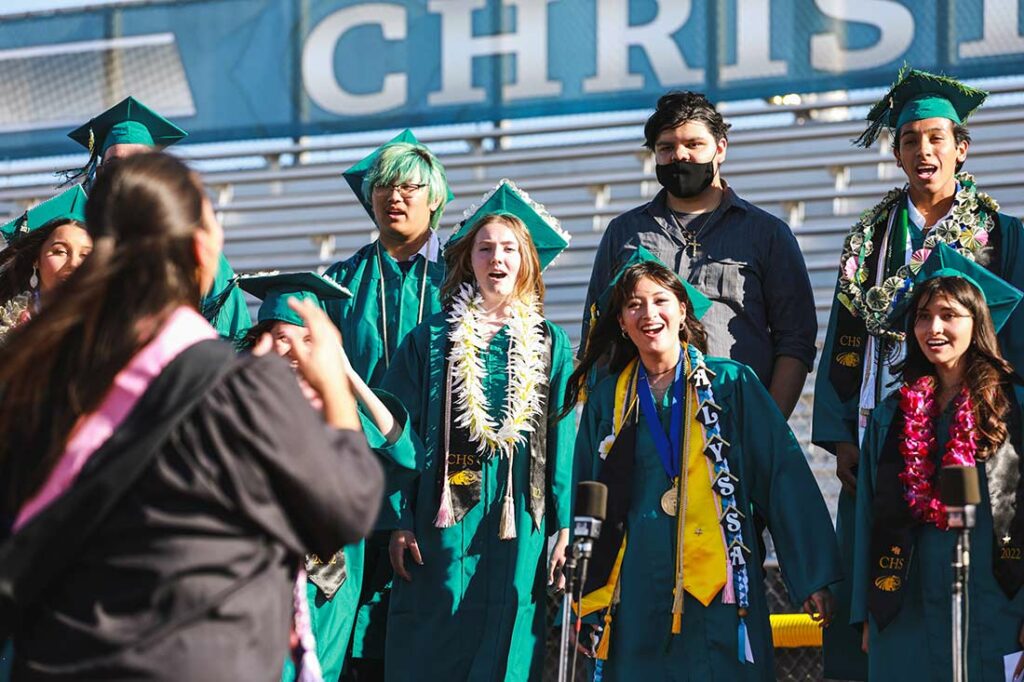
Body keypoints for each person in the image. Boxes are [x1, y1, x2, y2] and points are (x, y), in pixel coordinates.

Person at [0, 152, 383, 681]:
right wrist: (334, 389)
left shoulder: (30, 372)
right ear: (201, 252)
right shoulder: (238, 386)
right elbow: (347, 504)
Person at [813, 67, 1024, 679]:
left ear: (962, 147)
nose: (924, 152)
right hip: (890, 432)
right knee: (886, 574)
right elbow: (845, 345)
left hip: (979, 427)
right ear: (897, 152)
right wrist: (844, 434)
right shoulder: (869, 242)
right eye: (910, 140)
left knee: (984, 572)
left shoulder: (1003, 237)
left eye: (937, 138)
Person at [570, 247, 840, 681]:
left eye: (660, 300)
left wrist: (813, 576)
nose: (648, 314)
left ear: (682, 309)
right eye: (633, 305)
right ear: (621, 323)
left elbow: (781, 477)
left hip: (718, 586)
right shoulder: (608, 400)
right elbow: (587, 497)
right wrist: (585, 597)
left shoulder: (731, 383)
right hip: (635, 584)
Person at [382, 180, 575, 681]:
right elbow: (396, 429)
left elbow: (563, 440)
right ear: (468, 260)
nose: (497, 258)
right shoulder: (430, 338)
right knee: (438, 630)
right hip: (441, 513)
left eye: (509, 248)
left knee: (510, 632)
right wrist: (398, 518)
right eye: (485, 248)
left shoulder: (551, 344)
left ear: (527, 261)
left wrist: (565, 525)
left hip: (520, 518)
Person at [581, 90, 816, 420]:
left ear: (720, 149)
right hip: (643, 423)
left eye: (693, 144)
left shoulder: (768, 234)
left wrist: (768, 427)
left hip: (737, 417)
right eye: (666, 147)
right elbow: (598, 337)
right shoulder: (624, 232)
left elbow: (796, 341)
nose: (680, 156)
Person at [850, 243, 1024, 681]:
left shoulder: (1014, 407)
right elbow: (868, 514)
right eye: (923, 317)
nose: (934, 327)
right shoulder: (894, 413)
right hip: (907, 604)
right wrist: (867, 608)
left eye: (949, 315)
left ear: (977, 322)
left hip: (999, 602)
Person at [238, 271, 415, 682]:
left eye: (306, 338)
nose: (294, 349)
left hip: (331, 588)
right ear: (262, 340)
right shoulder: (243, 404)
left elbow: (403, 455)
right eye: (282, 336)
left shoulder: (339, 412)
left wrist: (349, 375)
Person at [324, 130, 452, 680]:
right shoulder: (340, 283)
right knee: (352, 633)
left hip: (443, 467)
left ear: (434, 199)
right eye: (383, 188)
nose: (394, 197)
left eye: (408, 188)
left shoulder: (461, 277)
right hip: (359, 470)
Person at [66, 95, 252, 340]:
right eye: (115, 164)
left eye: (138, 163)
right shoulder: (78, 246)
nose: (126, 173)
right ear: (100, 174)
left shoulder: (195, 250)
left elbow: (231, 339)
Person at [0, 186, 91, 342]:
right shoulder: (8, 320)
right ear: (36, 259)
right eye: (60, 251)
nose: (74, 263)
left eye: (85, 255)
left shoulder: (104, 329)